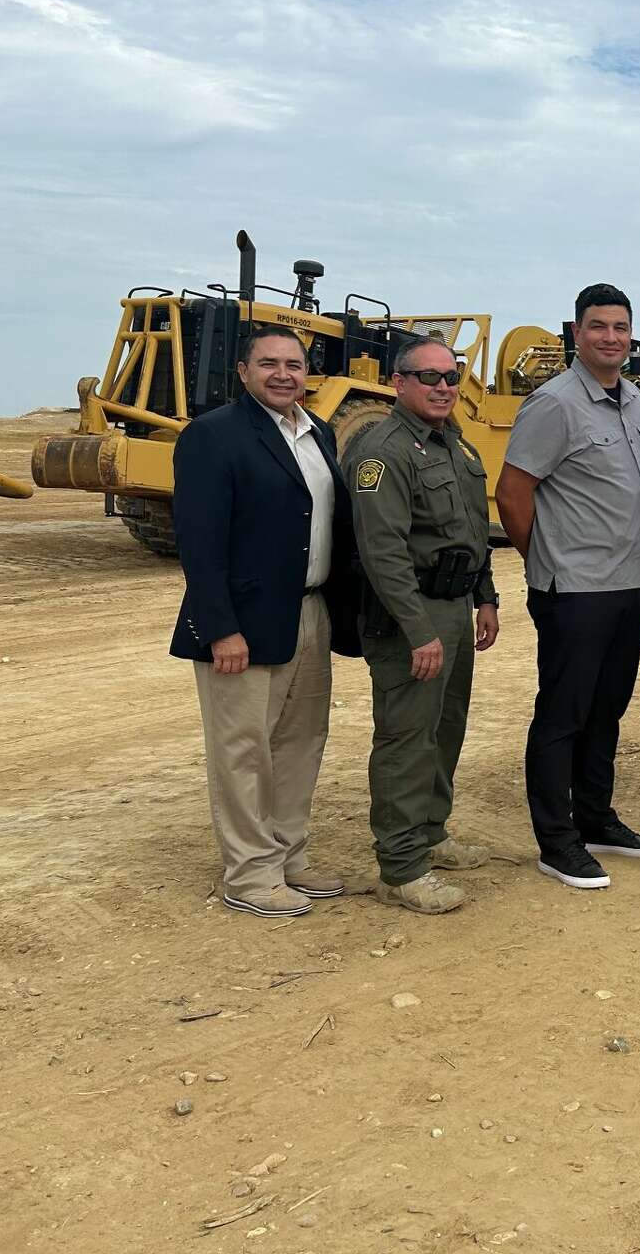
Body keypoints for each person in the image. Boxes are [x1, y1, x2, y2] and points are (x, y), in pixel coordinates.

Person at [171, 326, 360, 918]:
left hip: (310, 610)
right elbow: (199, 543)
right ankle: (250, 874)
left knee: (301, 741)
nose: (283, 374)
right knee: (243, 748)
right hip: (244, 624)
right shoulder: (214, 436)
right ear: (244, 372)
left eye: (294, 364)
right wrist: (220, 627)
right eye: (269, 363)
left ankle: (289, 857)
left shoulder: (318, 433)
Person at [495, 284, 640, 891]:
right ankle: (556, 840)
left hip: (627, 583)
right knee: (563, 715)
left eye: (621, 327)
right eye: (599, 327)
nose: (611, 338)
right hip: (573, 590)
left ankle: (595, 818)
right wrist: (547, 560)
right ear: (576, 332)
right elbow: (513, 493)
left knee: (607, 711)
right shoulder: (555, 404)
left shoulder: (635, 403)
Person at [345, 337, 499, 915]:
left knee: (444, 728)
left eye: (451, 377)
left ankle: (432, 832)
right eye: (427, 377)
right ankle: (402, 867)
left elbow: (473, 532)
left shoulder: (453, 444)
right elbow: (381, 552)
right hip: (410, 614)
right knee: (407, 738)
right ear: (397, 382)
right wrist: (418, 631)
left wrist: (485, 596)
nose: (442, 387)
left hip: (455, 607)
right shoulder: (383, 450)